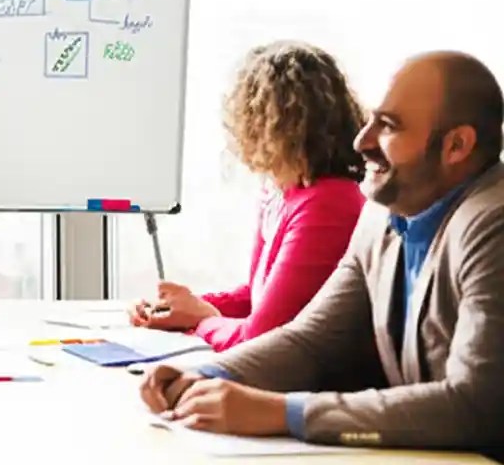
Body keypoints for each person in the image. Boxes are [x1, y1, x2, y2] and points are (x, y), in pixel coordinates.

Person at [139, 51, 504, 453]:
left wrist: (284, 413)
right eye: (370, 120)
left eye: (388, 126)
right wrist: (206, 374)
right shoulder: (381, 214)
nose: (362, 142)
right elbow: (313, 339)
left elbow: (476, 408)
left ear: (457, 145)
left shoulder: (492, 224)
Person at [127, 42, 367, 351]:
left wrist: (199, 318)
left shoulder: (329, 202)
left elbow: (262, 337)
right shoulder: (281, 191)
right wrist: (183, 306)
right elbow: (261, 296)